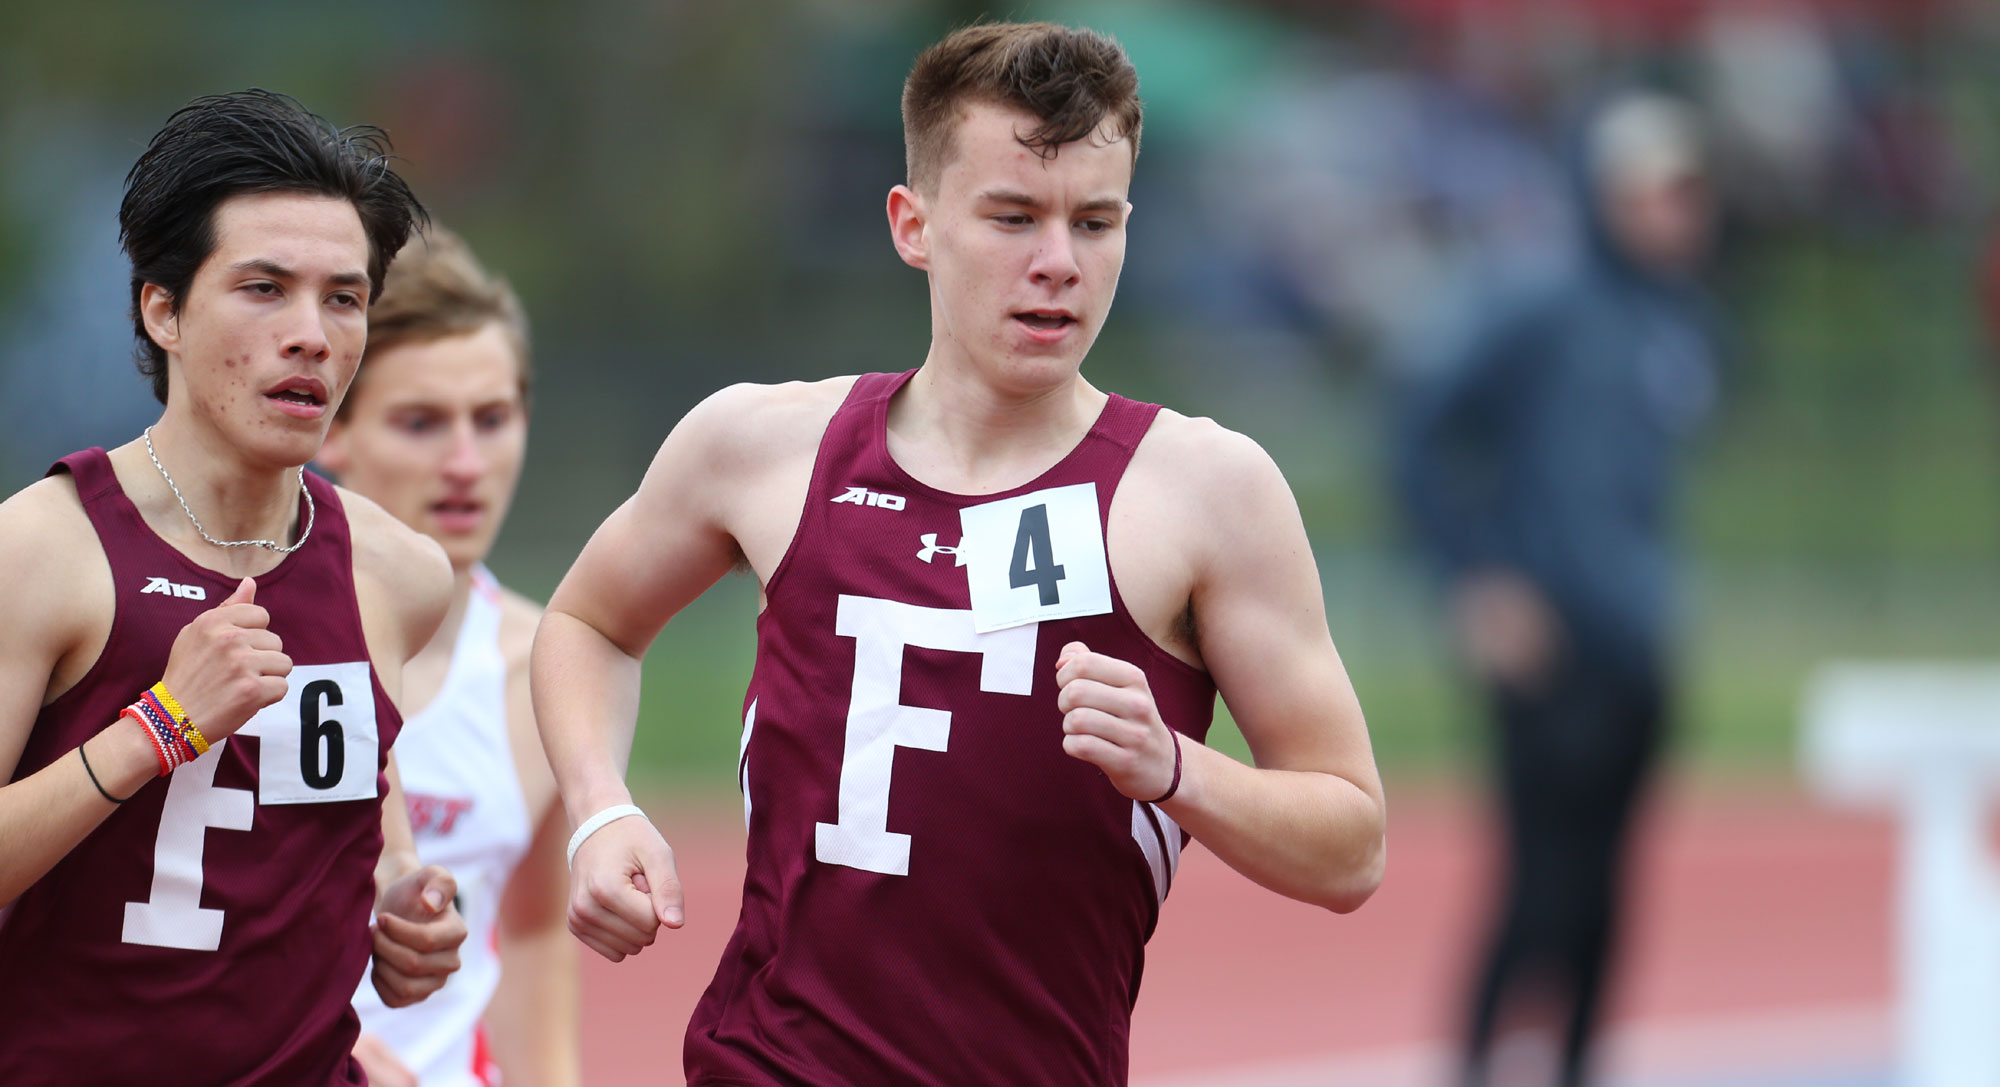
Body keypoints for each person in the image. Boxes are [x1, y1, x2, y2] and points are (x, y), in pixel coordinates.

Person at [532, 21, 1388, 1086]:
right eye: (1013, 217)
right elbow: (588, 622)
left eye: (1095, 221)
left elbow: (1350, 844)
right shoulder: (760, 446)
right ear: (913, 224)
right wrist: (597, 808)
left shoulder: (1206, 492)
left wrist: (1178, 770)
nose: (1057, 264)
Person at [0, 90, 467, 1085]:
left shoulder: (402, 575)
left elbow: (347, 813)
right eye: (264, 288)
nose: (311, 335)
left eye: (343, 298)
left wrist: (400, 901)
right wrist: (158, 727)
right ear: (160, 307)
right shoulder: (43, 551)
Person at [1392, 92, 1719, 1087]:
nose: (1678, 212)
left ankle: (1578, 1068)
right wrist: (1477, 578)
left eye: (1687, 191)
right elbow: (1419, 432)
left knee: (1608, 900)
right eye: (1656, 191)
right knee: (1539, 890)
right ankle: (1478, 1066)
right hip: (1550, 649)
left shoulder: (1675, 319)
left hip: (1636, 643)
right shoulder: (1532, 299)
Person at [318, 226, 579, 1087]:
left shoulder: (551, 663)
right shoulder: (236, 639)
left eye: (492, 418)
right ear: (332, 430)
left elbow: (534, 927)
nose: (467, 463)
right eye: (422, 421)